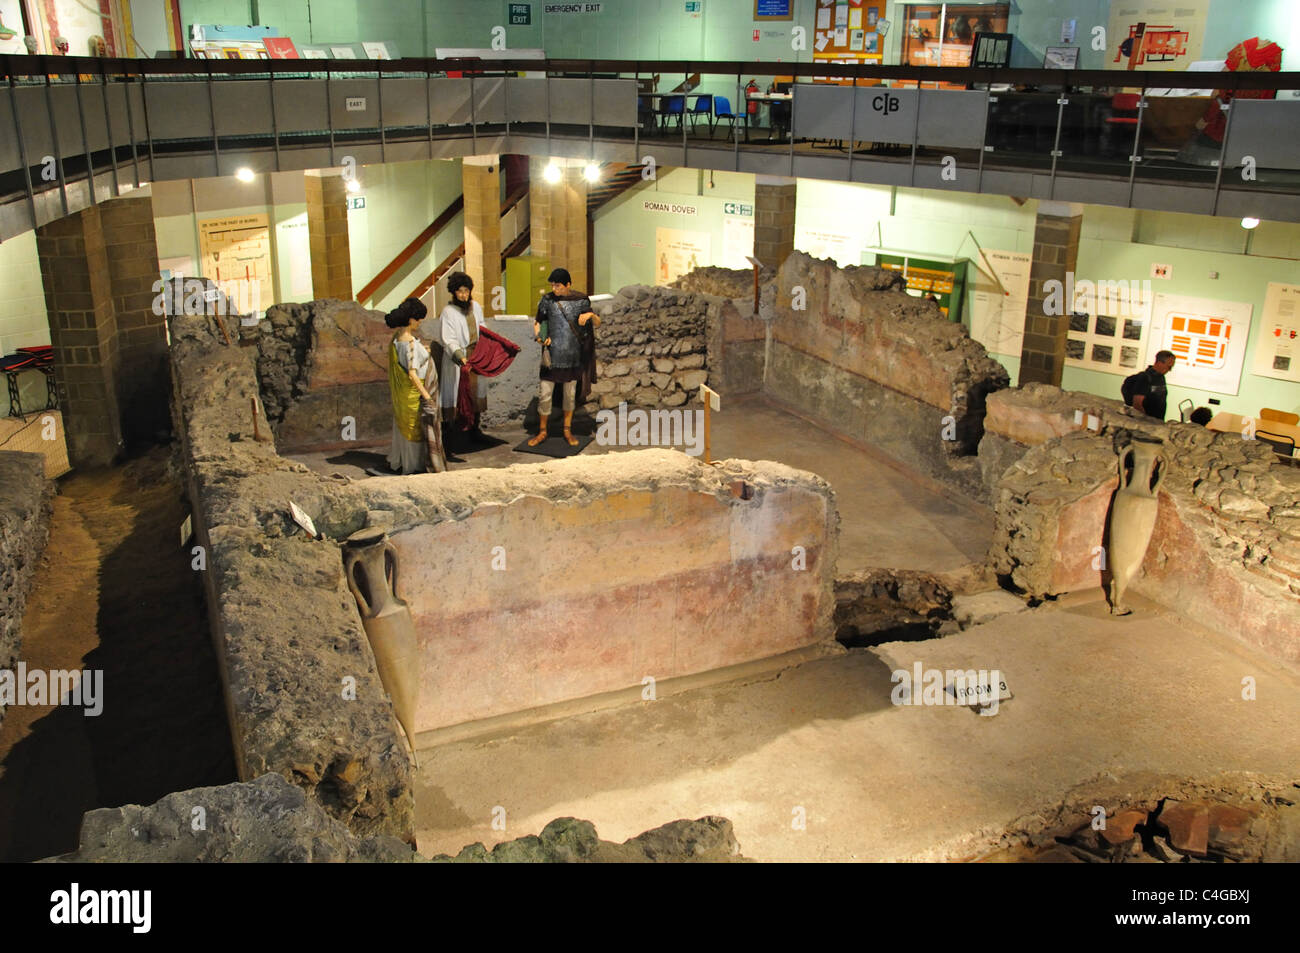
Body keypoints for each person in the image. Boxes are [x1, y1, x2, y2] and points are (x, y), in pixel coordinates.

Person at [529, 268, 599, 447]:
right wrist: (540, 337)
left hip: (572, 356)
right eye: (552, 285)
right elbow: (538, 322)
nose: (554, 289)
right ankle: (542, 431)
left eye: (558, 286)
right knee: (545, 395)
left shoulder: (581, 301)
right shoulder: (547, 301)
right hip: (551, 357)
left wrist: (590, 315)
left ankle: (567, 430)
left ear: (568, 285)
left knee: (570, 396)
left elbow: (597, 322)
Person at [385, 298, 446, 474]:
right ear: (411, 319)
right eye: (419, 319)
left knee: (407, 429)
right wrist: (427, 397)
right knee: (417, 430)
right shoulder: (409, 343)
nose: (420, 322)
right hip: (415, 395)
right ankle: (417, 465)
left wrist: (423, 351)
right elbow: (412, 373)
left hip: (405, 396)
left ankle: (404, 461)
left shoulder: (397, 338)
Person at [439, 271, 488, 448]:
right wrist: (461, 357)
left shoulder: (475, 307)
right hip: (458, 361)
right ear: (454, 292)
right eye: (460, 291)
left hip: (476, 358)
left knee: (475, 395)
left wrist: (488, 346)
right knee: (455, 396)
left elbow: (482, 327)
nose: (463, 295)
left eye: (466, 291)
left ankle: (475, 430)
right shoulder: (448, 312)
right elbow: (448, 339)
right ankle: (451, 435)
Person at [1121, 350, 1176, 420]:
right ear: (1159, 363)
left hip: (1158, 421)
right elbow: (1137, 404)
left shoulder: (1161, 377)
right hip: (1148, 423)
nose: (1170, 370)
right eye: (1169, 367)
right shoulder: (1144, 378)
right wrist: (1147, 422)